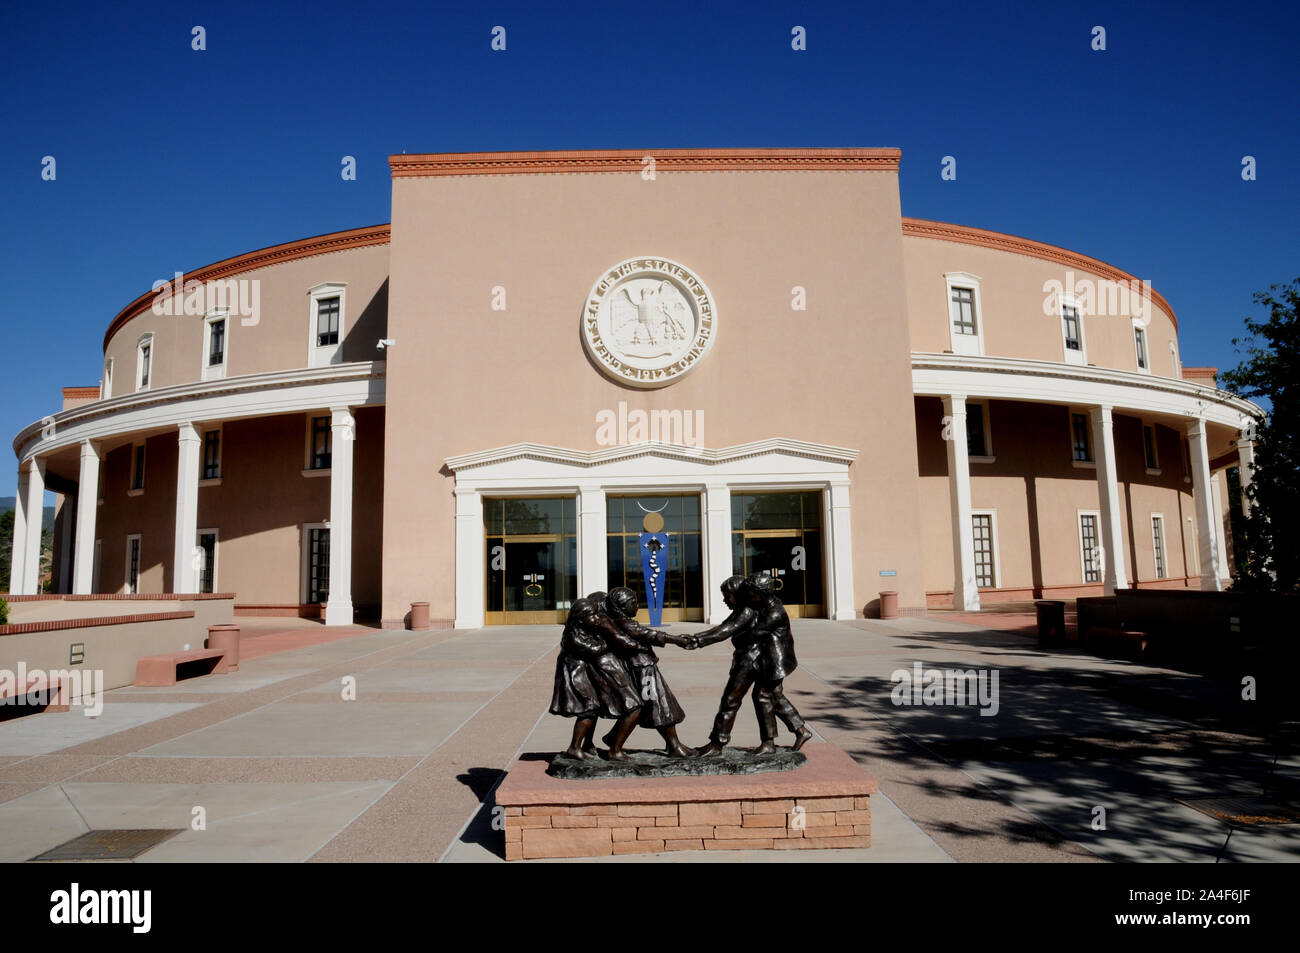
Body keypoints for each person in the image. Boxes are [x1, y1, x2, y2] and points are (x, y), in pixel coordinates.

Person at [686, 574, 812, 755]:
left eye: (727, 595)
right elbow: (727, 628)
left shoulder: (755, 611)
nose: (724, 600)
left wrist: (698, 640)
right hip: (761, 659)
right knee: (769, 698)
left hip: (757, 660)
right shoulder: (753, 607)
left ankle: (719, 744)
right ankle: (794, 733)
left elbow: (727, 631)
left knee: (734, 699)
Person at [600, 587, 696, 757]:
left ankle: (673, 745)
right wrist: (676, 640)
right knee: (659, 704)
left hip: (644, 668)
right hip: (643, 671)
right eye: (633, 603)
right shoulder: (625, 624)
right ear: (622, 606)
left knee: (660, 705)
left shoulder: (621, 623)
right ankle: (672, 746)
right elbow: (648, 634)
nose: (637, 606)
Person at [549, 598, 644, 760]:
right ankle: (575, 748)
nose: (597, 619)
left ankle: (584, 745)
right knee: (588, 710)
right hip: (576, 679)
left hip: (583, 675)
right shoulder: (573, 637)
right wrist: (610, 638)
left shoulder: (583, 630)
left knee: (592, 710)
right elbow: (595, 649)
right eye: (592, 616)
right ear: (579, 619)